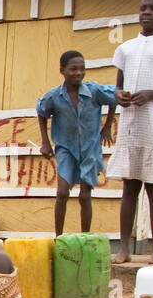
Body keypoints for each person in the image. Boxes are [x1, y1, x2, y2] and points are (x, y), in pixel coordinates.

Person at [110, 0, 153, 264]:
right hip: (131, 124)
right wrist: (119, 95)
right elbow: (117, 85)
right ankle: (123, 248)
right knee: (129, 186)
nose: (146, 13)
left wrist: (151, 94)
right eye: (143, 8)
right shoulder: (126, 48)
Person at [37, 50, 117, 236]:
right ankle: (59, 237)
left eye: (82, 69)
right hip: (65, 147)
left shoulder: (94, 91)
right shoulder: (55, 96)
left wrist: (107, 126)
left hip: (90, 148)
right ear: (62, 71)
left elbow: (114, 97)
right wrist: (45, 143)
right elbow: (42, 112)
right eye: (73, 69)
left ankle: (85, 237)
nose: (78, 73)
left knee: (85, 196)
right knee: (62, 192)